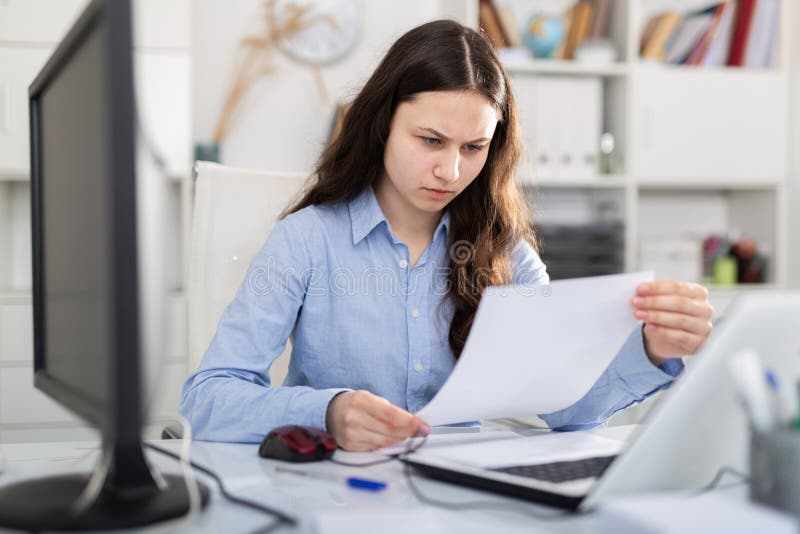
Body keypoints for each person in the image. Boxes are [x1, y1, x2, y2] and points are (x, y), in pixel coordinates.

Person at [180, 20, 714, 451]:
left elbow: (564, 409)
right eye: (431, 140)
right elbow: (207, 400)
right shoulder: (306, 241)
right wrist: (328, 410)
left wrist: (650, 349)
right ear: (382, 124)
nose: (451, 172)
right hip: (333, 493)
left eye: (473, 148)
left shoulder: (506, 255)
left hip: (460, 497)